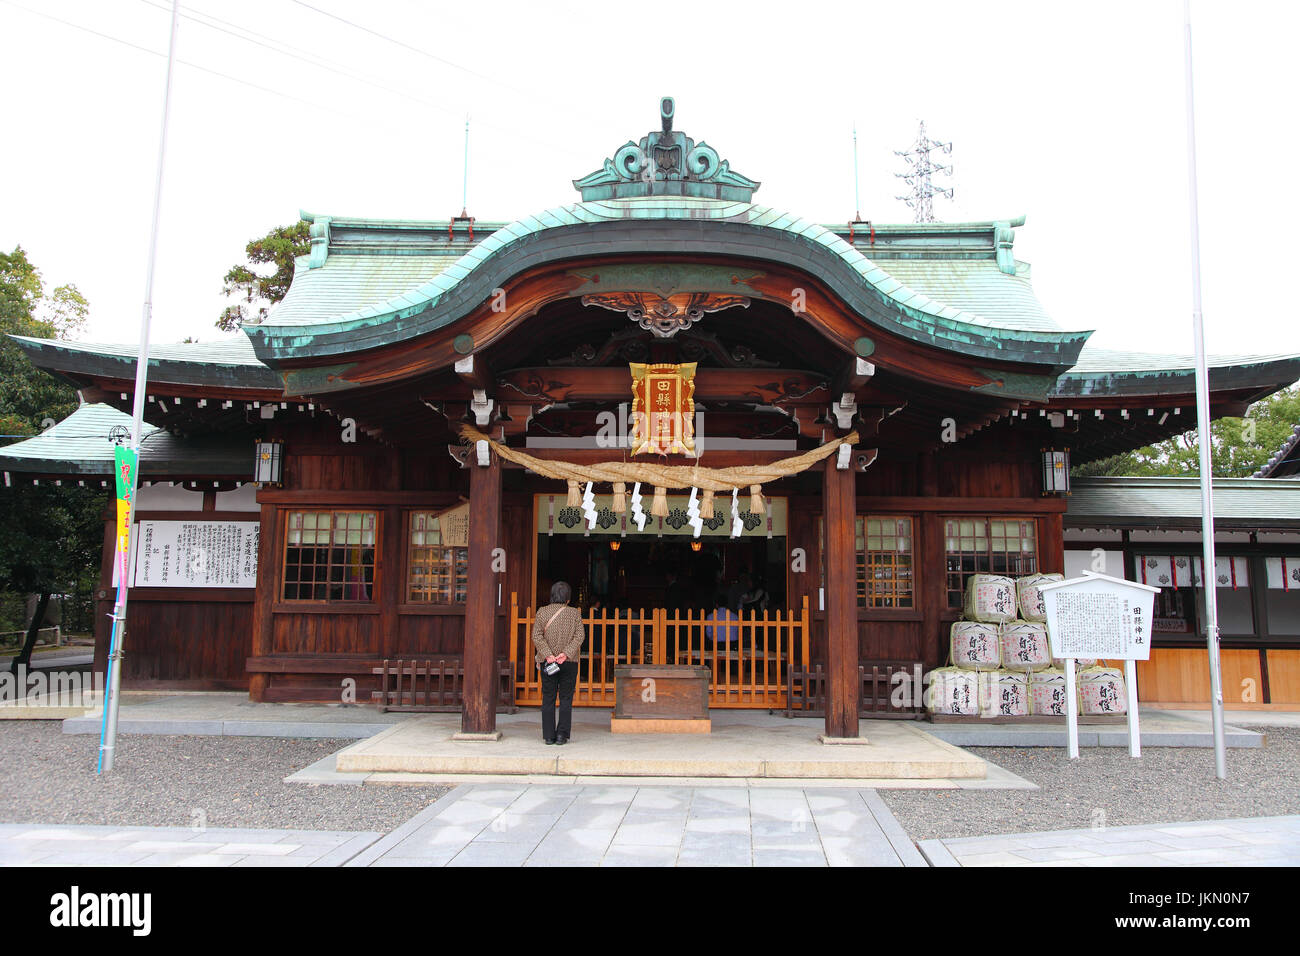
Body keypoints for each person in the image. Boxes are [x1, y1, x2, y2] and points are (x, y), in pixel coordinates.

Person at [533, 580, 585, 745]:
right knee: (566, 698)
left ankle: (549, 736)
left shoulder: (542, 612)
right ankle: (562, 735)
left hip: (548, 662)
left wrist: (549, 655)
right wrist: (566, 654)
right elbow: (580, 636)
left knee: (548, 698)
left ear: (552, 596)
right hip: (569, 662)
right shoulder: (574, 614)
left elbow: (536, 636)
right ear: (568, 598)